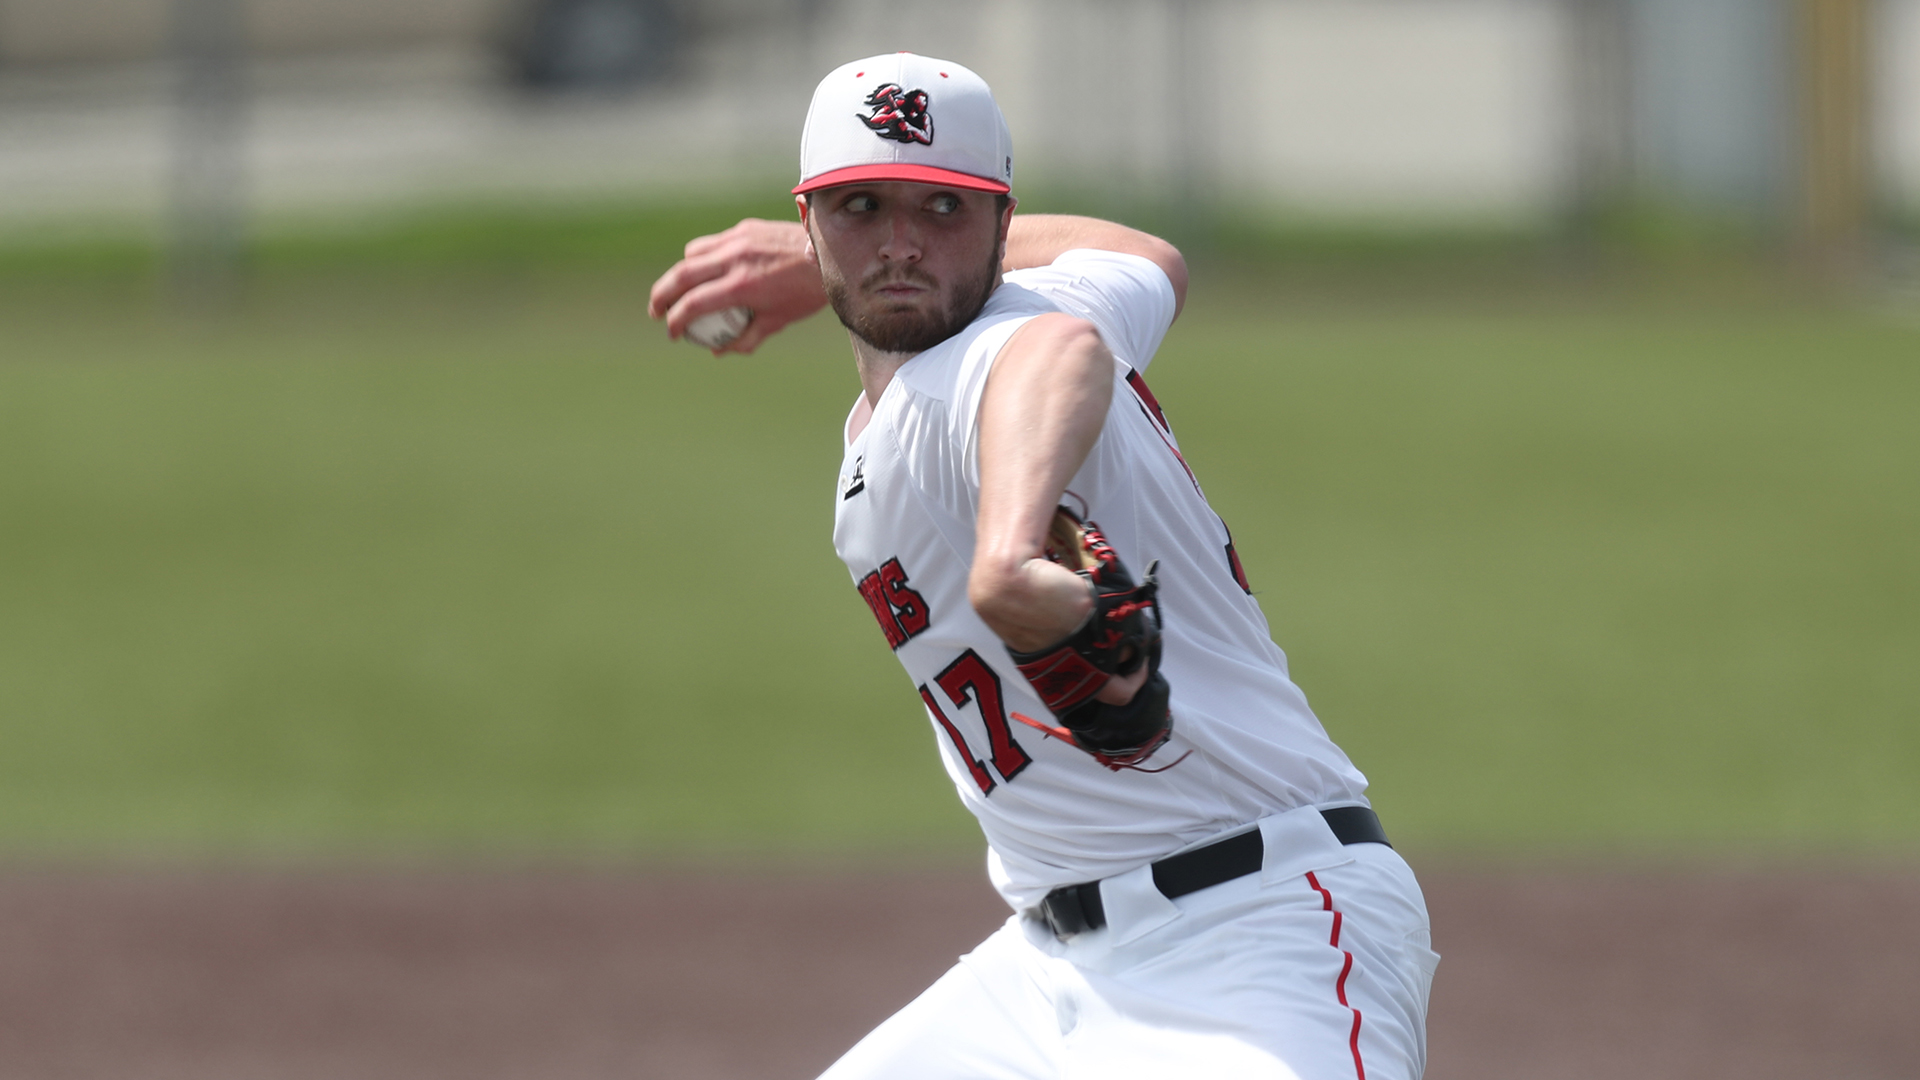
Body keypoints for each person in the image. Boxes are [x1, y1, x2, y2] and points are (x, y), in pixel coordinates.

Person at [648, 52, 1438, 1080]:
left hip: (1262, 938)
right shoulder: (1065, 291)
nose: (901, 244)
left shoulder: (963, 371)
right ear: (806, 223)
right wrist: (843, 263)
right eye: (860, 209)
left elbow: (1048, 356)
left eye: (945, 208)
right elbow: (1145, 252)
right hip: (1046, 976)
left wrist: (1012, 555)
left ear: (1001, 223)